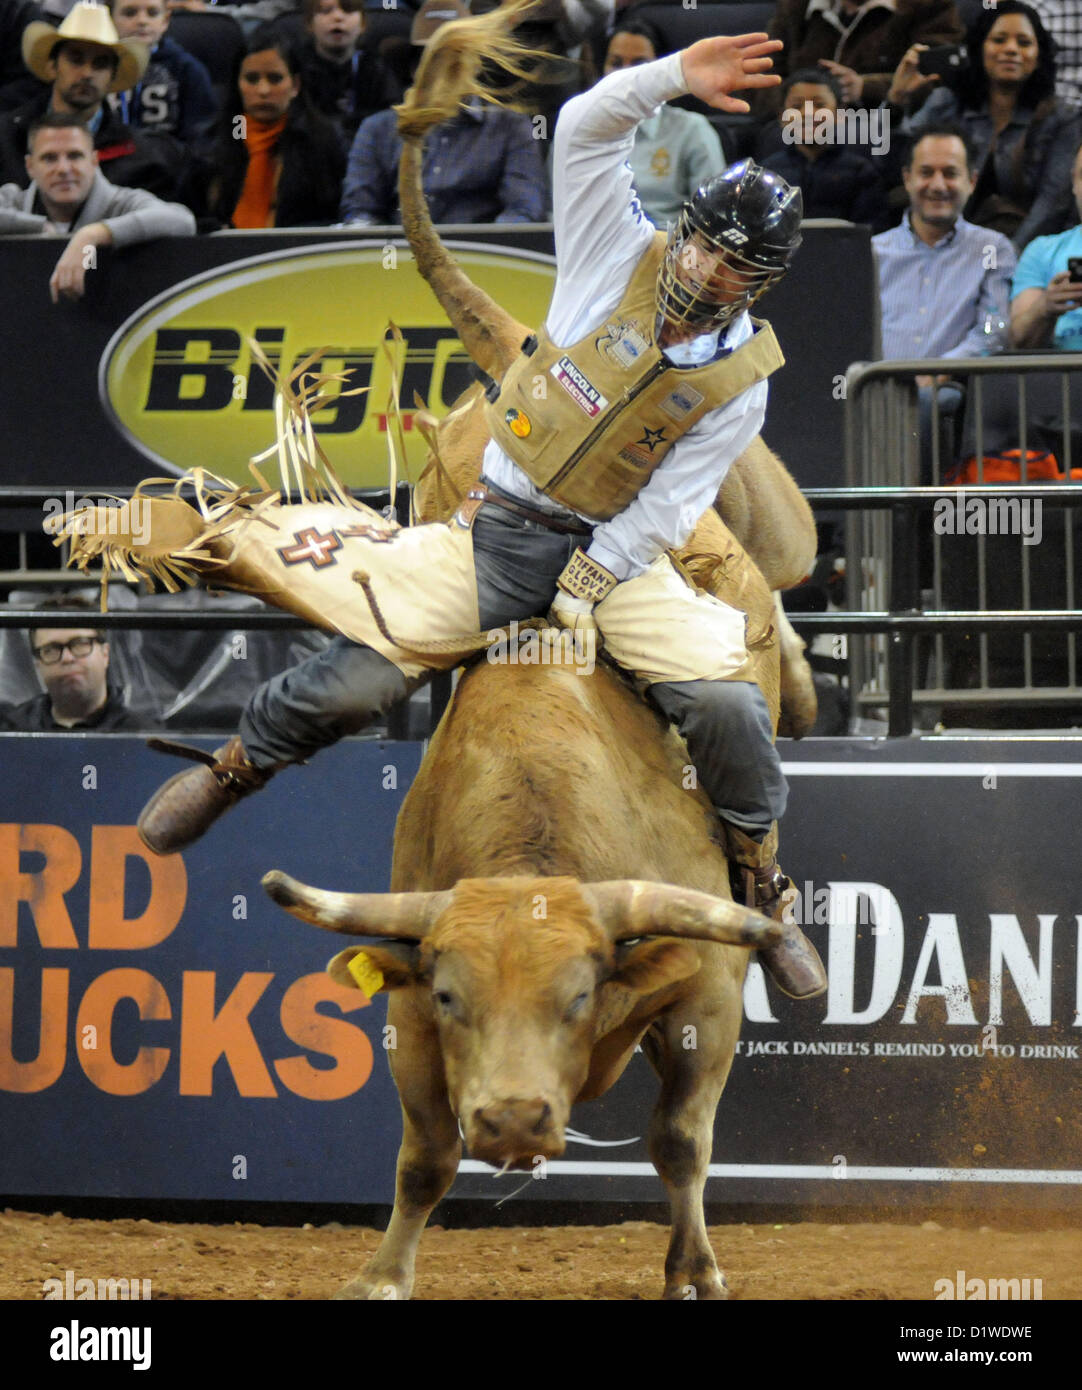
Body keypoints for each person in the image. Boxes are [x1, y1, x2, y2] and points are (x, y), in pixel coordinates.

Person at [135, 30, 826, 998]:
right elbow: (584, 127)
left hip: (615, 564)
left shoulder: (740, 378)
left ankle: (764, 882)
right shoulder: (607, 245)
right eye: (706, 243)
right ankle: (232, 769)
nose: (711, 271)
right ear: (684, 227)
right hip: (497, 531)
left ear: (760, 283)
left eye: (736, 266)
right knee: (357, 674)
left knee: (727, 707)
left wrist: (600, 570)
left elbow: (673, 500)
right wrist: (672, 80)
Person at [873, 123, 1016, 478]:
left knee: (924, 408)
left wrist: (935, 370)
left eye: (950, 173)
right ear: (907, 179)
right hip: (875, 390)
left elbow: (993, 329)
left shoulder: (992, 249)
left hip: (947, 395)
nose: (937, 185)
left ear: (972, 180)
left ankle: (913, 527)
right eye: (926, 173)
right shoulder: (873, 252)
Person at [886, 2, 1082, 250]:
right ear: (979, 48)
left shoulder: (1063, 118)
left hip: (1025, 251)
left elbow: (1053, 203)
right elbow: (891, 166)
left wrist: (1009, 258)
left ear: (1039, 55)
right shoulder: (947, 103)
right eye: (999, 39)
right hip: (941, 245)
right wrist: (895, 102)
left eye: (1024, 42)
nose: (1011, 49)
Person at [340, 0, 545, 225]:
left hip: (483, 255)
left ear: (474, 65)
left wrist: (486, 250)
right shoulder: (377, 130)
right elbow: (359, 213)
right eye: (430, 59)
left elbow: (523, 212)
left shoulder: (512, 128)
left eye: (454, 59)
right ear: (413, 68)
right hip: (401, 254)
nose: (441, 70)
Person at [0, 1, 188, 198]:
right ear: (52, 66)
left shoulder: (140, 158)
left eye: (100, 63)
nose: (87, 73)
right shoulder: (6, 140)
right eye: (76, 59)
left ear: (113, 77)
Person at [0, 112, 194, 300]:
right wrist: (38, 228)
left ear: (94, 161)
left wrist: (93, 234)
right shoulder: (13, 201)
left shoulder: (121, 202)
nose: (63, 169)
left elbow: (183, 220)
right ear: (30, 166)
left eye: (75, 156)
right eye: (50, 158)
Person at [196, 26, 344, 227]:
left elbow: (337, 219)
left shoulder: (322, 141)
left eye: (275, 79)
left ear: (295, 85)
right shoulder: (211, 142)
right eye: (251, 79)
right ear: (237, 83)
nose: (263, 90)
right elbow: (187, 217)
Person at [600, 17, 724, 229]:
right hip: (598, 252)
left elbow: (713, 217)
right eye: (616, 63)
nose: (625, 73)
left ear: (662, 70)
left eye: (640, 64)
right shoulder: (579, 133)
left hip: (673, 250)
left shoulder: (693, 130)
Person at [765, 0, 964, 109]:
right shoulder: (795, 7)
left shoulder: (928, 6)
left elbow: (940, 75)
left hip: (883, 128)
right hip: (797, 133)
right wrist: (796, 103)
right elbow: (766, 72)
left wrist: (865, 88)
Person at [761, 66, 890, 228]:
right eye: (796, 106)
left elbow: (871, 232)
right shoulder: (768, 174)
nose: (807, 113)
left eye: (819, 105)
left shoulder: (861, 172)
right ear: (781, 116)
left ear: (839, 114)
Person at [0, 596, 138, 730]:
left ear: (105, 654)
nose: (67, 658)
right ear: (38, 664)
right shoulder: (11, 731)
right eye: (51, 649)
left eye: (80, 644)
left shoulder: (141, 735)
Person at [108, 0, 217, 142]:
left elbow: (200, 135)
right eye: (130, 13)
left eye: (152, 13)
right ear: (110, 19)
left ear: (165, 20)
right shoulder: (99, 66)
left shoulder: (187, 69)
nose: (142, 21)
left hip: (169, 160)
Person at [1010, 137, 1082, 349]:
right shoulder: (1041, 251)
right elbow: (1018, 341)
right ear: (1074, 183)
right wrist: (1045, 307)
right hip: (1059, 378)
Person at [299, 0, 401, 144]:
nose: (338, 17)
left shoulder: (378, 68)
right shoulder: (296, 68)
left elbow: (390, 120)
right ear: (309, 23)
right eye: (326, 11)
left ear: (363, 24)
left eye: (348, 9)